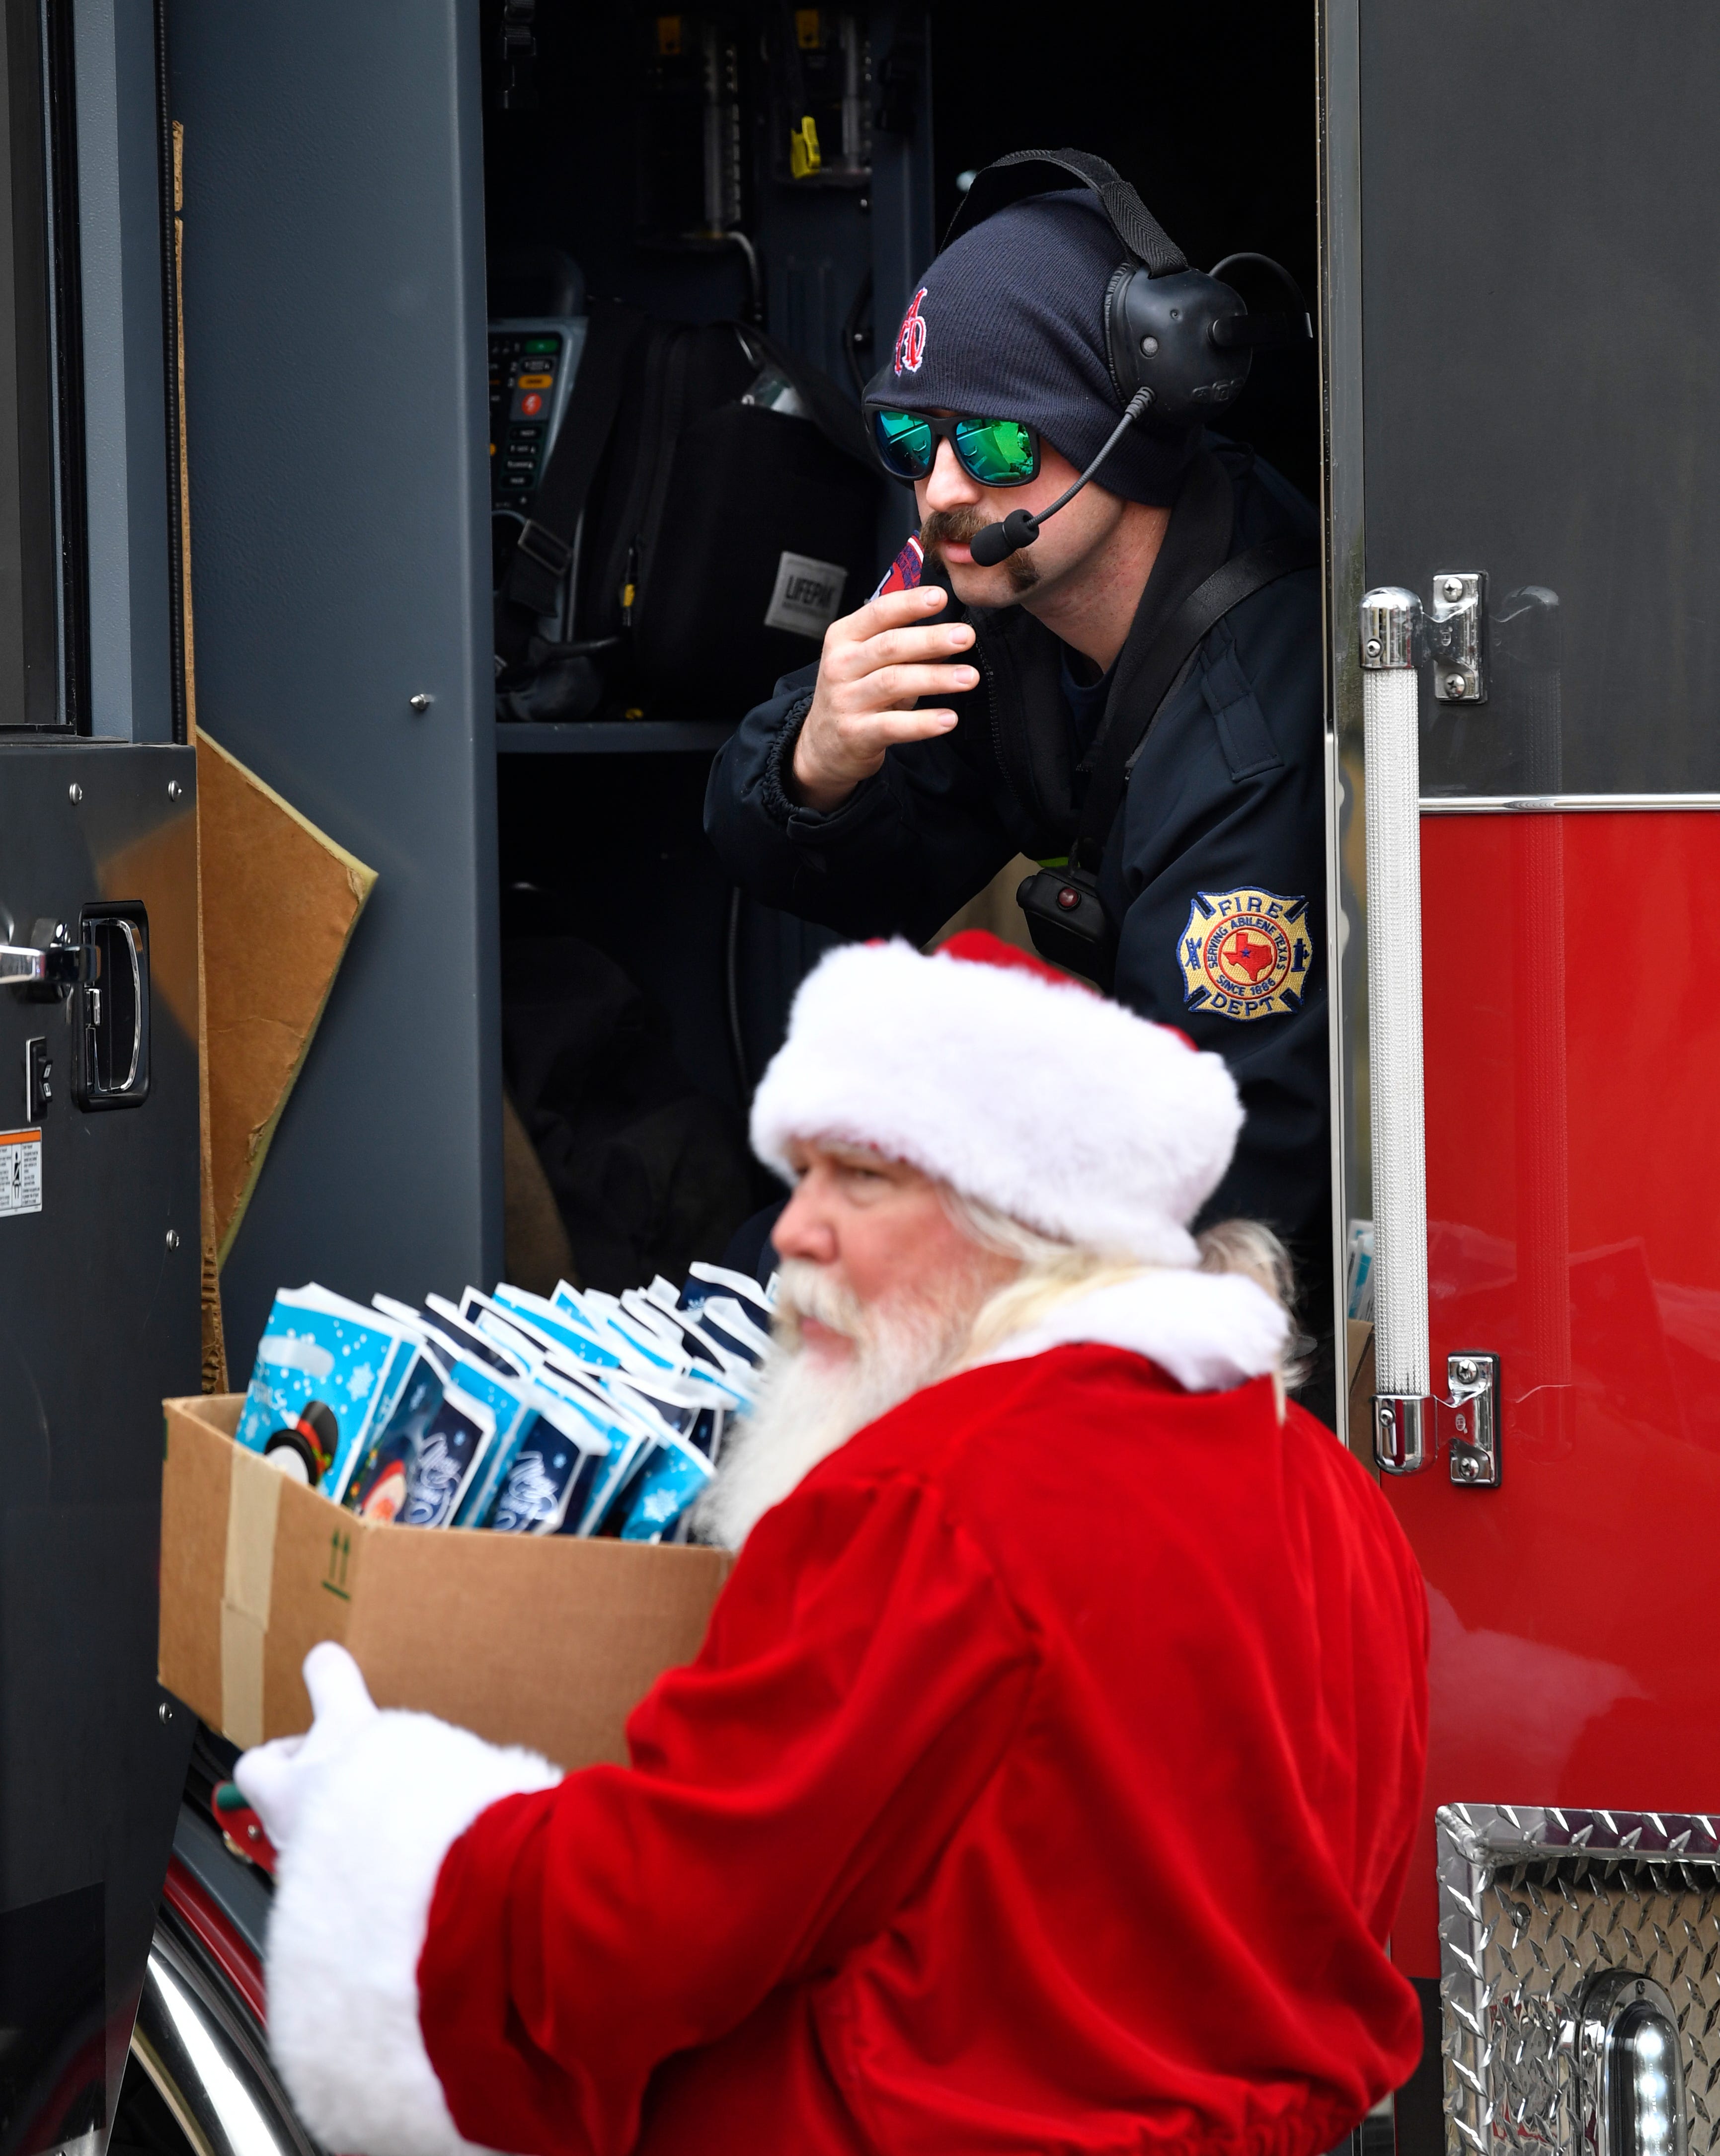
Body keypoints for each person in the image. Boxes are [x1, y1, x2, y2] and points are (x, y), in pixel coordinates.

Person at [235, 931, 1427, 2156]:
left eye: (859, 1177)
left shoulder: (929, 1495)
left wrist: (386, 1830)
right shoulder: (1329, 1490)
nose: (794, 1232)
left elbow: (656, 1925)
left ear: (1024, 1215)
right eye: (799, 1173)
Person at [704, 160, 1331, 1411]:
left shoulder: (1250, 725)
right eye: (908, 439)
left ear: (1124, 427)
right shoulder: (996, 572)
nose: (939, 490)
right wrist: (817, 760)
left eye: (991, 441)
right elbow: (765, 836)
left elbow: (1227, 1171)